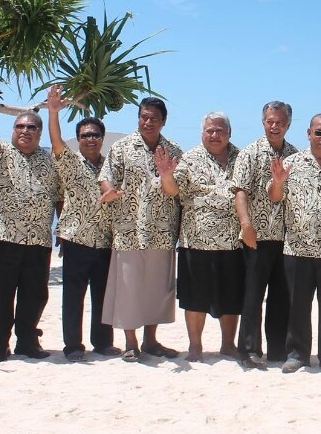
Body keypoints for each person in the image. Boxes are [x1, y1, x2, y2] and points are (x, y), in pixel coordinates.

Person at [0, 74, 62, 362]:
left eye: (32, 127)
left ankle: (27, 341)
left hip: (38, 240)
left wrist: (63, 228)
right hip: (1, 238)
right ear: (13, 130)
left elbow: (59, 197)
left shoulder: (52, 160)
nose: (25, 130)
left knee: (35, 296)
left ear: (40, 132)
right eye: (20, 126)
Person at [99, 97, 183, 362]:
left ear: (164, 121)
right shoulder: (122, 147)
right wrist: (108, 191)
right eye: (144, 117)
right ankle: (131, 343)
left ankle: (151, 340)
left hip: (161, 229)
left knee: (156, 287)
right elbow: (106, 177)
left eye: (154, 118)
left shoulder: (173, 150)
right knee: (129, 287)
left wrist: (167, 174)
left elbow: (174, 191)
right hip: (129, 228)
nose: (148, 122)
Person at [270, 114, 321, 373]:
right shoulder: (291, 163)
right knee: (297, 306)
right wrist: (278, 181)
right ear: (308, 133)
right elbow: (275, 197)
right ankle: (297, 354)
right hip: (298, 247)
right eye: (319, 133)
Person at [45, 86, 118, 362]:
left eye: (95, 135)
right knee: (73, 297)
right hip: (76, 239)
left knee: (103, 295)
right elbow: (55, 141)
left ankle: (102, 342)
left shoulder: (111, 167)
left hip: (105, 240)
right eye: (85, 135)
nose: (90, 139)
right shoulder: (70, 162)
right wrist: (54, 113)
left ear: (102, 138)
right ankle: (73, 346)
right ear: (77, 139)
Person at [171, 112, 243, 362]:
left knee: (232, 297)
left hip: (233, 242)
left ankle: (228, 345)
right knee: (195, 298)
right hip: (196, 241)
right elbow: (172, 189)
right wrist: (166, 175)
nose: (215, 135)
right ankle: (195, 346)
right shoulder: (189, 159)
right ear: (202, 133)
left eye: (220, 130)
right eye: (210, 130)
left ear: (229, 133)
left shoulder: (240, 158)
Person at [231, 101, 297, 369]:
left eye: (280, 122)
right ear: (263, 122)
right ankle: (248, 351)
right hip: (255, 237)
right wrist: (246, 225)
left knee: (282, 297)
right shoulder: (249, 153)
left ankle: (278, 350)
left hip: (286, 238)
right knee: (252, 296)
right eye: (270, 121)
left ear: (288, 125)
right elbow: (240, 191)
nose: (275, 126)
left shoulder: (294, 155)